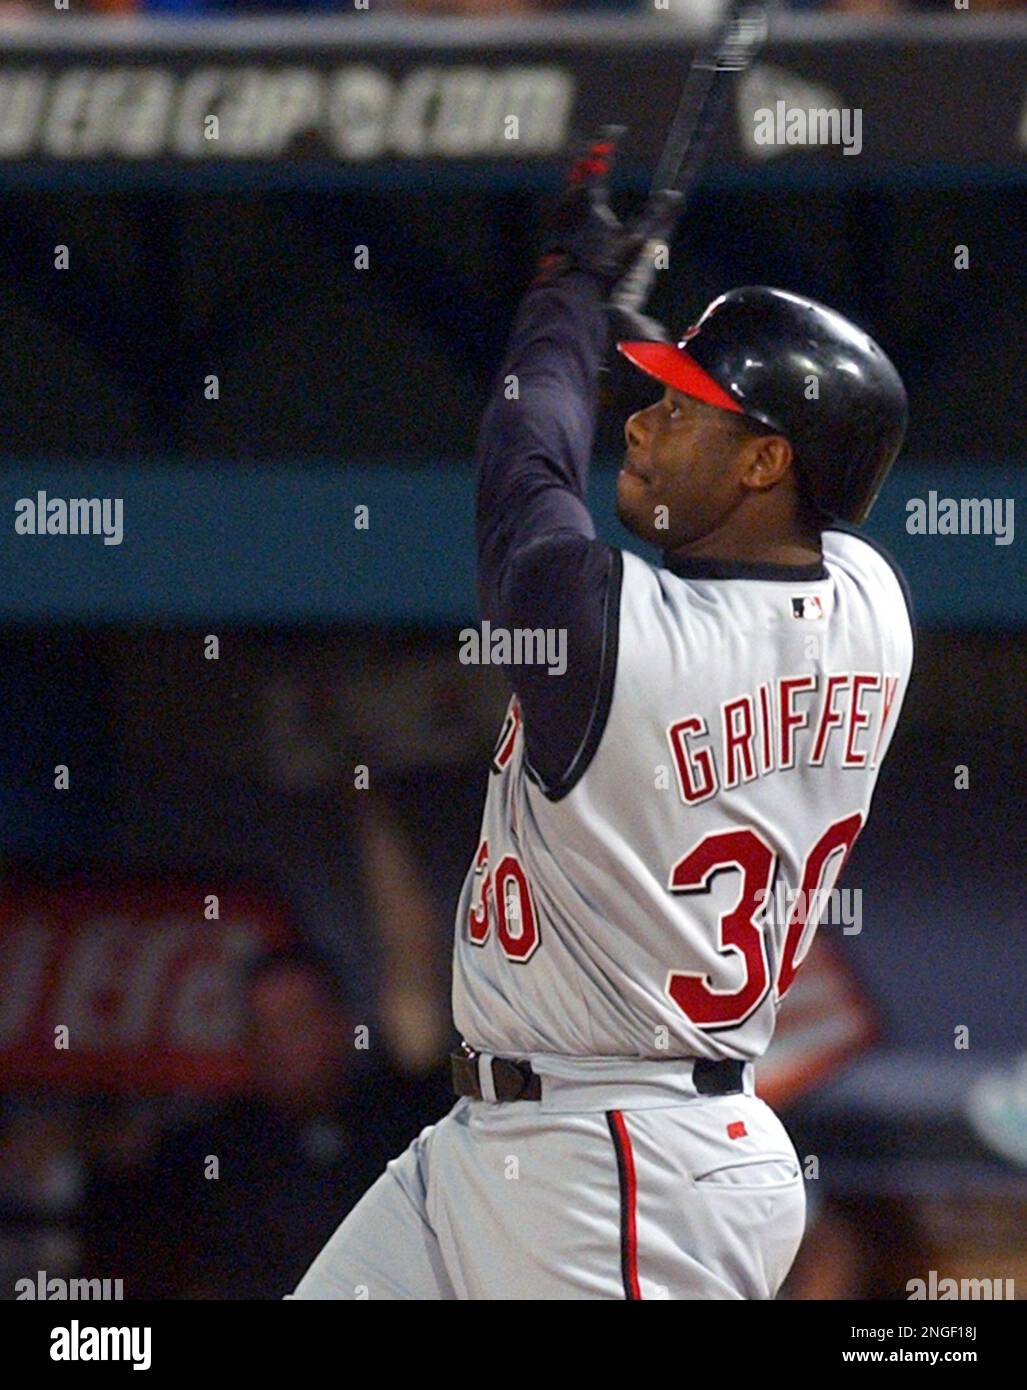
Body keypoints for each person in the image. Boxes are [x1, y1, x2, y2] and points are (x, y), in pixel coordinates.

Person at [291, 127, 914, 1300]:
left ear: (765, 463)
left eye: (680, 412)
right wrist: (639, 345)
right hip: (519, 1141)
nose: (638, 422)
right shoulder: (871, 600)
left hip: (619, 1162)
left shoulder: (622, 640)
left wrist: (567, 287)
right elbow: (775, 498)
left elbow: (523, 464)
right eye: (652, 399)